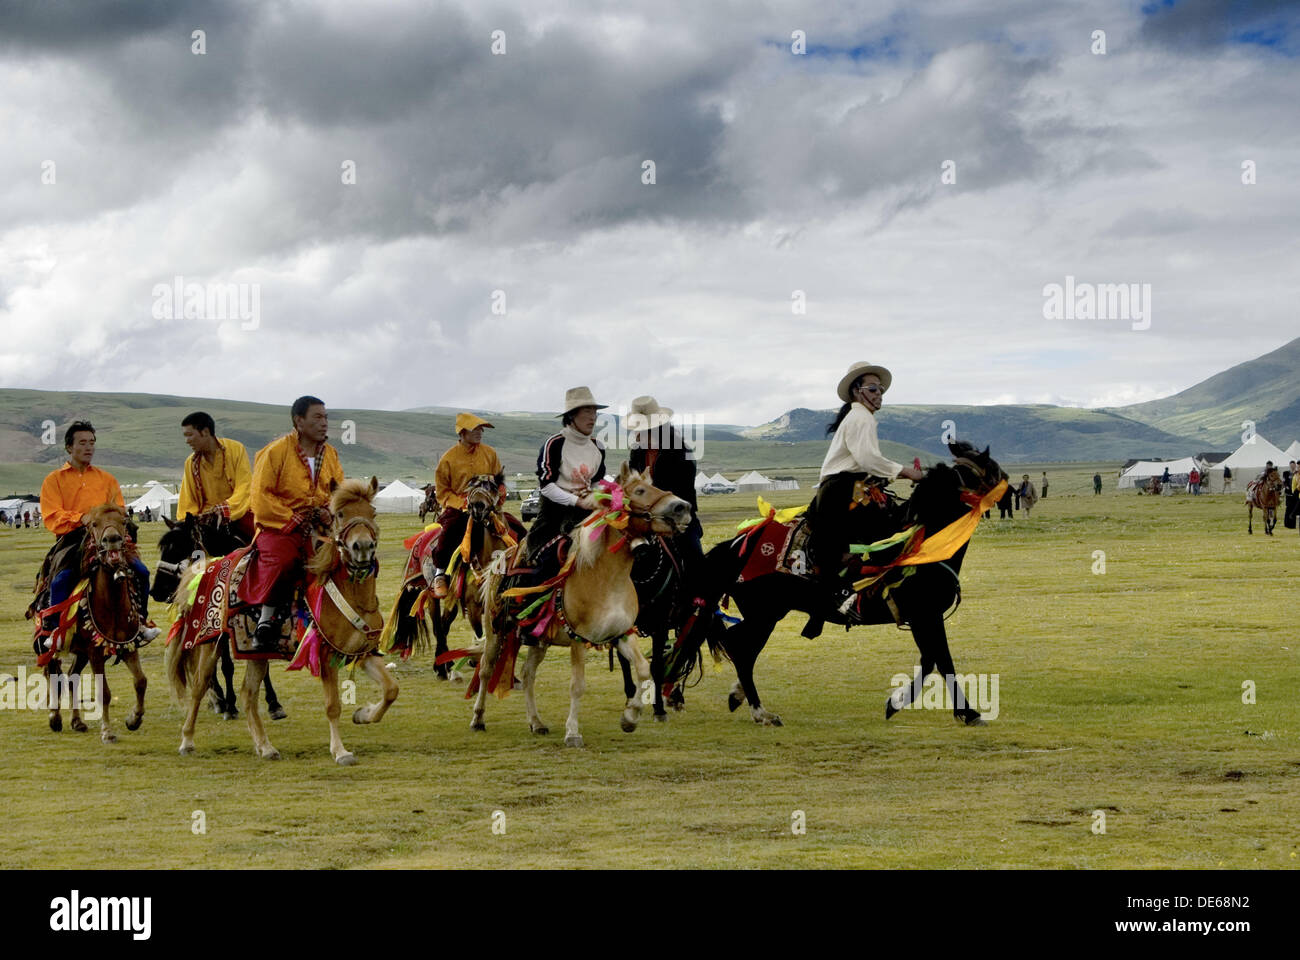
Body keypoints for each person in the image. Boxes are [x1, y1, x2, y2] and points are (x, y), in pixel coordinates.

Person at [34, 421, 159, 646]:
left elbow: (119, 509)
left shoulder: (107, 479)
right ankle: (54, 631)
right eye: (82, 443)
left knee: (141, 571)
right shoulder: (54, 480)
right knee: (60, 580)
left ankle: (140, 624)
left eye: (92, 443)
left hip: (108, 537)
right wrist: (81, 518)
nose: (88, 447)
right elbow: (52, 515)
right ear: (69, 448)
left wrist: (112, 521)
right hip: (73, 538)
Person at [809, 361, 922, 594]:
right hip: (843, 489)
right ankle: (867, 588)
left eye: (880, 389)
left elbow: (867, 463)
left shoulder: (860, 416)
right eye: (872, 389)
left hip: (852, 486)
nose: (879, 394)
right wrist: (907, 471)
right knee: (888, 533)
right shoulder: (861, 417)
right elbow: (867, 458)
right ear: (856, 391)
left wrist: (892, 475)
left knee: (889, 518)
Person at [241, 396, 344, 652]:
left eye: (326, 418)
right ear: (299, 421)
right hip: (279, 525)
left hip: (318, 527)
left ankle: (343, 621)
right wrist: (291, 517)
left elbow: (338, 490)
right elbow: (260, 494)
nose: (324, 423)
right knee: (285, 560)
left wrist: (328, 510)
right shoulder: (275, 452)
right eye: (317, 417)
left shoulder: (330, 454)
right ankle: (267, 619)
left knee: (345, 559)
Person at [520, 387, 607, 564]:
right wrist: (577, 501)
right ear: (572, 416)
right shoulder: (554, 444)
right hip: (554, 512)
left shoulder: (598, 447)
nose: (593, 417)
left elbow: (597, 481)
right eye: (587, 411)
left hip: (587, 509)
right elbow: (546, 486)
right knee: (545, 560)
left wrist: (597, 498)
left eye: (595, 412)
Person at [428, 412, 506, 599]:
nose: (480, 432)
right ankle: (440, 573)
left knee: (515, 529)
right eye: (475, 429)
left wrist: (500, 494)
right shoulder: (448, 459)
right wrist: (461, 503)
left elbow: (499, 480)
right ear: (462, 433)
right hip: (460, 509)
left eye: (481, 429)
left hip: (488, 506)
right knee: (449, 532)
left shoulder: (490, 453)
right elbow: (442, 492)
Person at [627, 394, 704, 563]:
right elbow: (632, 482)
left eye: (640, 430)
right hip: (643, 514)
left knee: (694, 559)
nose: (636, 435)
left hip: (676, 514)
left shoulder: (682, 453)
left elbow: (680, 492)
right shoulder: (638, 451)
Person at [176, 411, 256, 542]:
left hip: (238, 514)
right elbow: (188, 501)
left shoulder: (236, 449)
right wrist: (191, 521)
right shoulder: (190, 463)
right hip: (206, 521)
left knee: (261, 546)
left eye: (190, 435)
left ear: (205, 432)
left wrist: (225, 509)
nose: (187, 441)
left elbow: (244, 487)